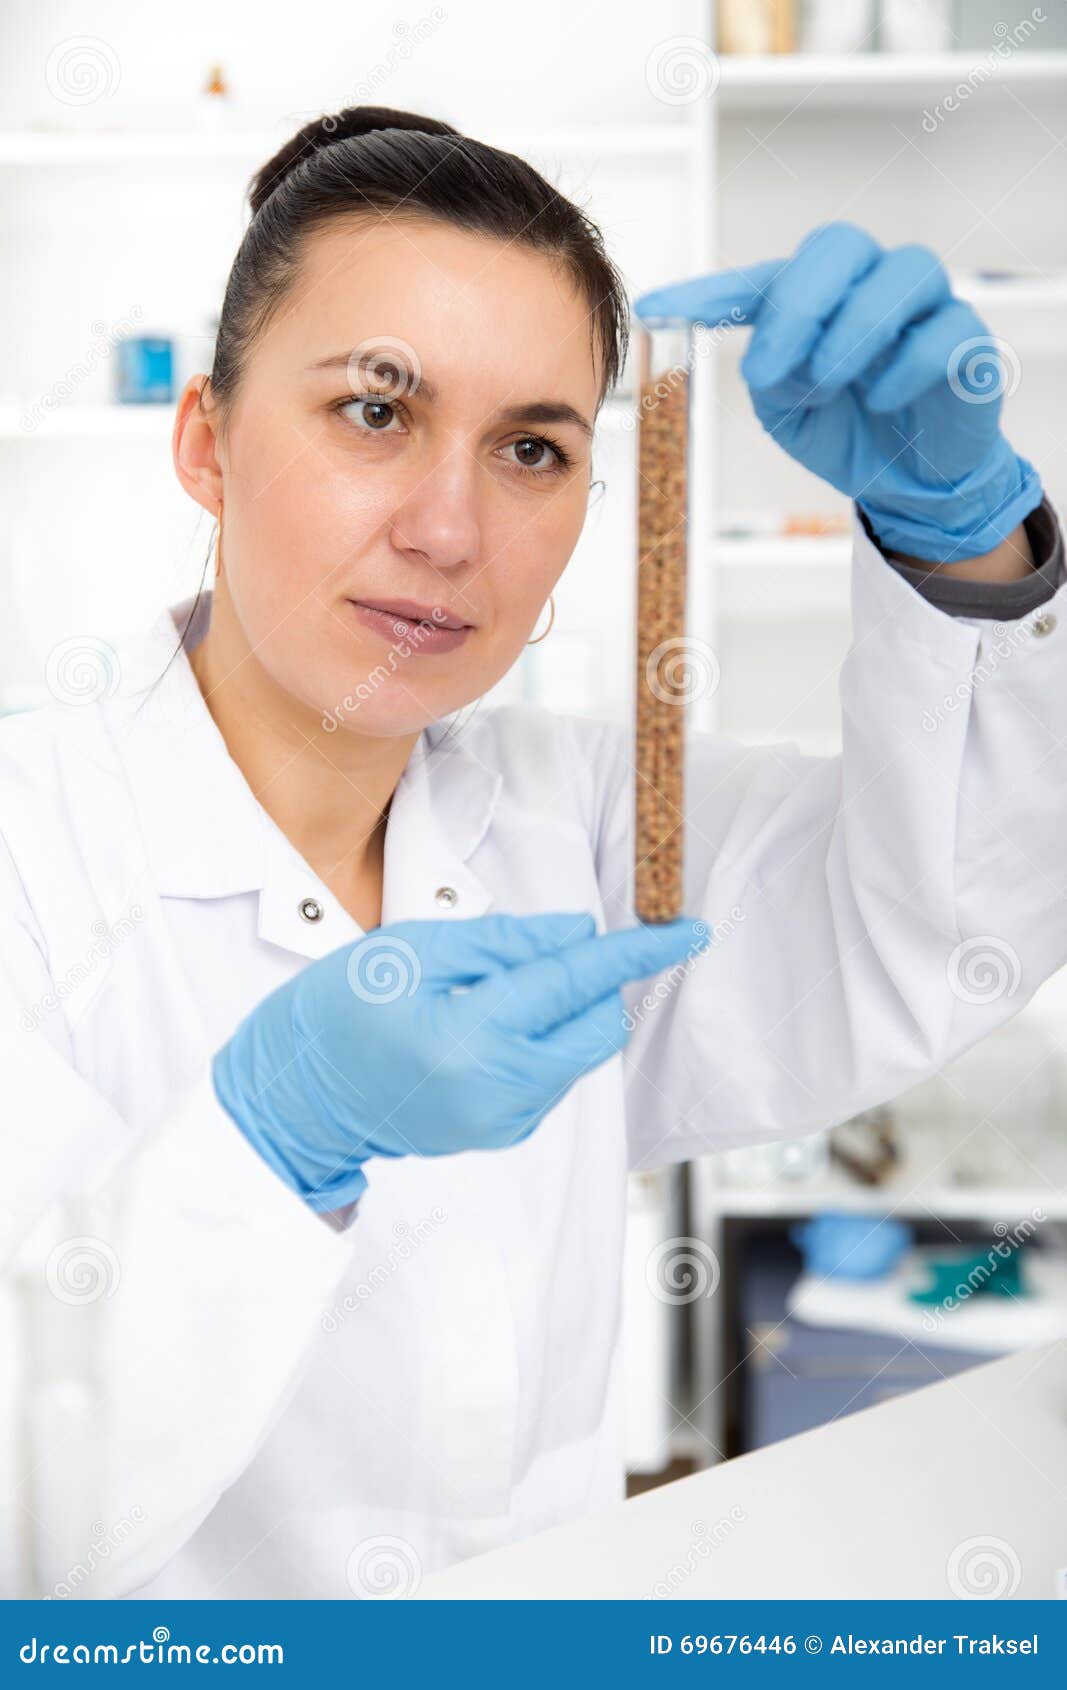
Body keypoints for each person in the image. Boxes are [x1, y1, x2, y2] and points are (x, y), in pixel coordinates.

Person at [1, 105, 1064, 1601]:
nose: (451, 528)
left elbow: (936, 923)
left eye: (532, 448)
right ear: (206, 440)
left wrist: (965, 539)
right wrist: (268, 1140)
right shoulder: (31, 852)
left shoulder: (584, 821)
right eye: (376, 410)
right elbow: (25, 1510)